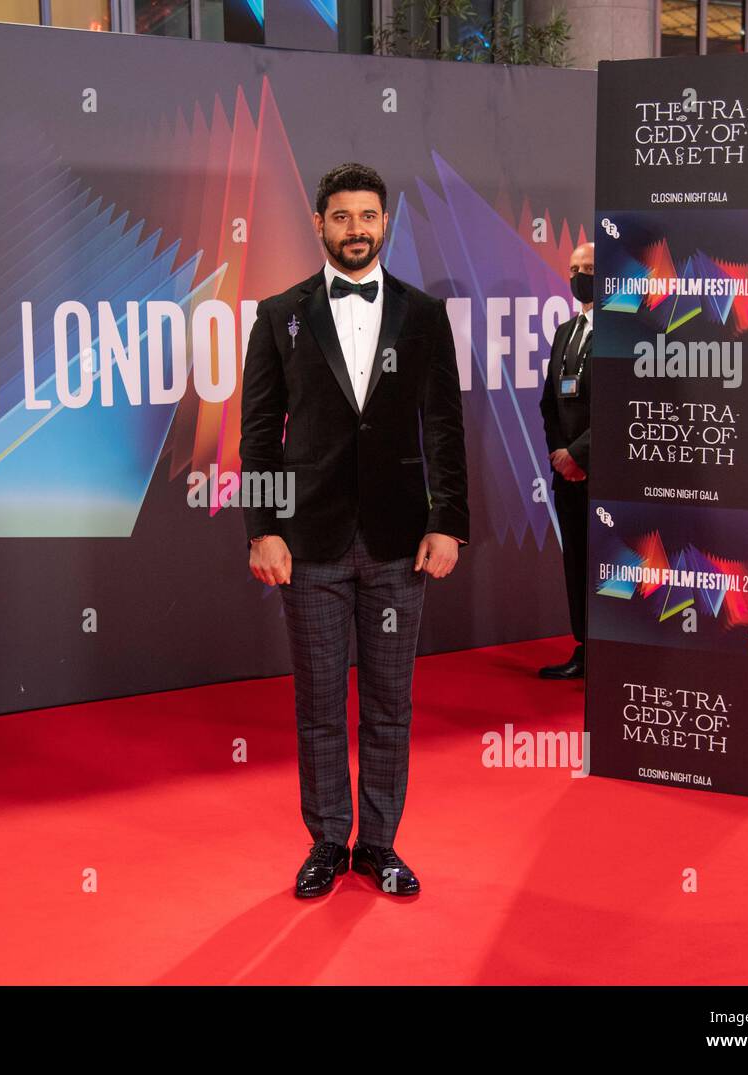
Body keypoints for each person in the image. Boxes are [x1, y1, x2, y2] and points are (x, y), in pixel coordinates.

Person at [239, 162, 469, 899]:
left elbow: (444, 428)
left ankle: (379, 844)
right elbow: (258, 438)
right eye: (342, 217)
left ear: (385, 223)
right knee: (317, 701)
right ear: (319, 223)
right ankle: (327, 842)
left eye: (369, 217)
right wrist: (262, 529)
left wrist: (449, 522)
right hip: (308, 543)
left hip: (402, 542)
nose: (356, 230)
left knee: (390, 700)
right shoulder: (280, 315)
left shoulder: (423, 315)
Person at [538, 241, 594, 680]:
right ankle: (585, 648)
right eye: (574, 268)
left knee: (607, 565)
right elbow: (548, 404)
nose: (579, 277)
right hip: (566, 475)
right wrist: (561, 456)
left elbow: (624, 405)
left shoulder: (628, 331)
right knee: (575, 560)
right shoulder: (565, 332)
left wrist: (580, 455)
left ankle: (614, 651)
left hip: (606, 474)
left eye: (589, 268)